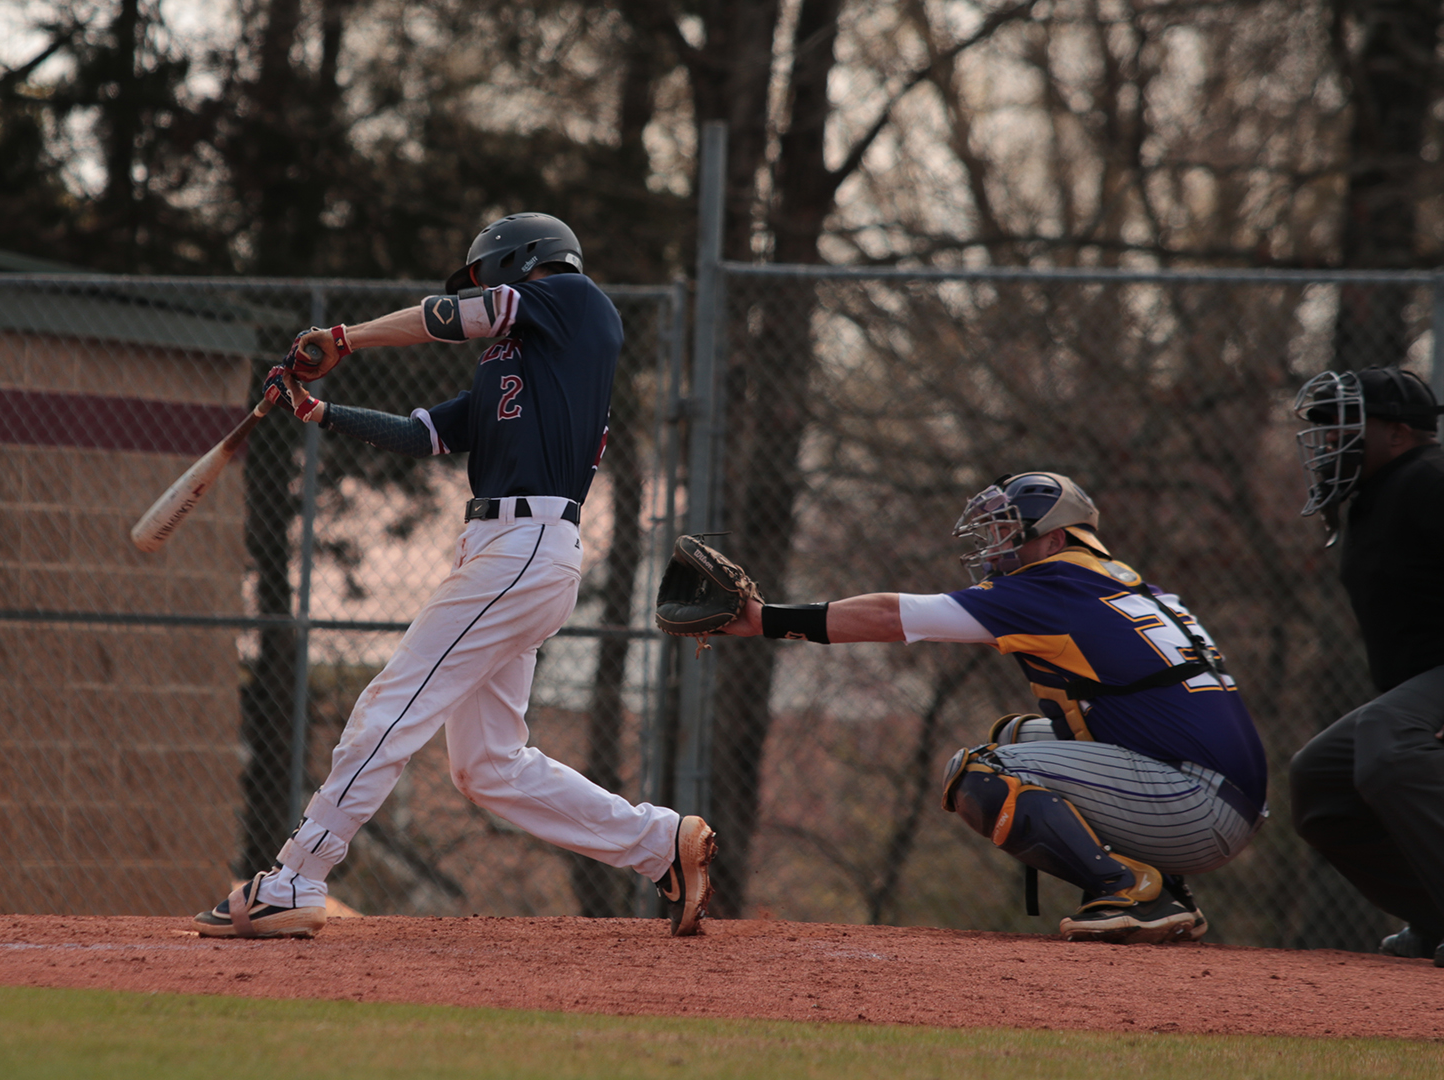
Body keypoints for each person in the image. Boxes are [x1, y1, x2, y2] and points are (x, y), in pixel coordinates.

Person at [193, 213, 717, 938]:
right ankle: (659, 843)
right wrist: (318, 411)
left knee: (392, 703)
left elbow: (467, 313)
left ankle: (296, 876)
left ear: (523, 261)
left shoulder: (575, 301)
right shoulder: (522, 364)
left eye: (484, 275)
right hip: (509, 554)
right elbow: (424, 433)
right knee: (487, 766)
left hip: (524, 546)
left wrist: (345, 338)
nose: (478, 290)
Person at [713, 472, 1269, 943]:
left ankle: (1128, 891)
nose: (997, 549)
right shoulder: (1128, 587)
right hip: (1215, 793)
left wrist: (765, 619)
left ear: (1055, 539)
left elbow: (892, 617)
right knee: (1014, 739)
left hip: (1194, 807)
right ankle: (1164, 893)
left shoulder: (1054, 585)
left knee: (980, 774)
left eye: (1010, 534)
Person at [1285, 367, 1444, 964]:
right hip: (1423, 684)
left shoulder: (1430, 478)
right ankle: (1434, 914)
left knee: (1388, 740)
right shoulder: (1376, 495)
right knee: (1322, 778)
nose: (1329, 442)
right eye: (1323, 430)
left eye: (1344, 428)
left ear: (1399, 434)